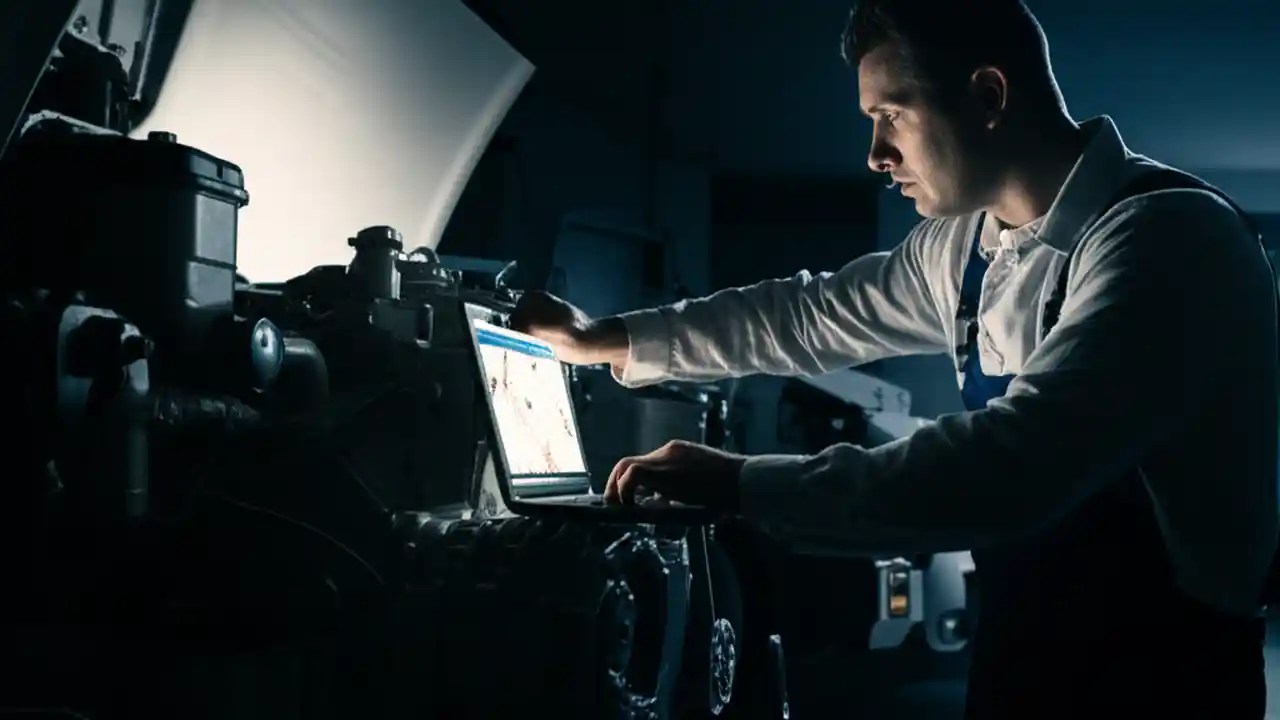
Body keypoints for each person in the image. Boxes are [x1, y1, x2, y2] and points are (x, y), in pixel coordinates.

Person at [511, 0, 1279, 717]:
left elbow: (1012, 468)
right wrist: (607, 338)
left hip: (1163, 684)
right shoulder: (964, 247)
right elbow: (809, 316)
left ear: (987, 96)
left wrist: (743, 484)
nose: (876, 155)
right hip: (1024, 662)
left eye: (891, 116)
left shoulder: (1168, 240)